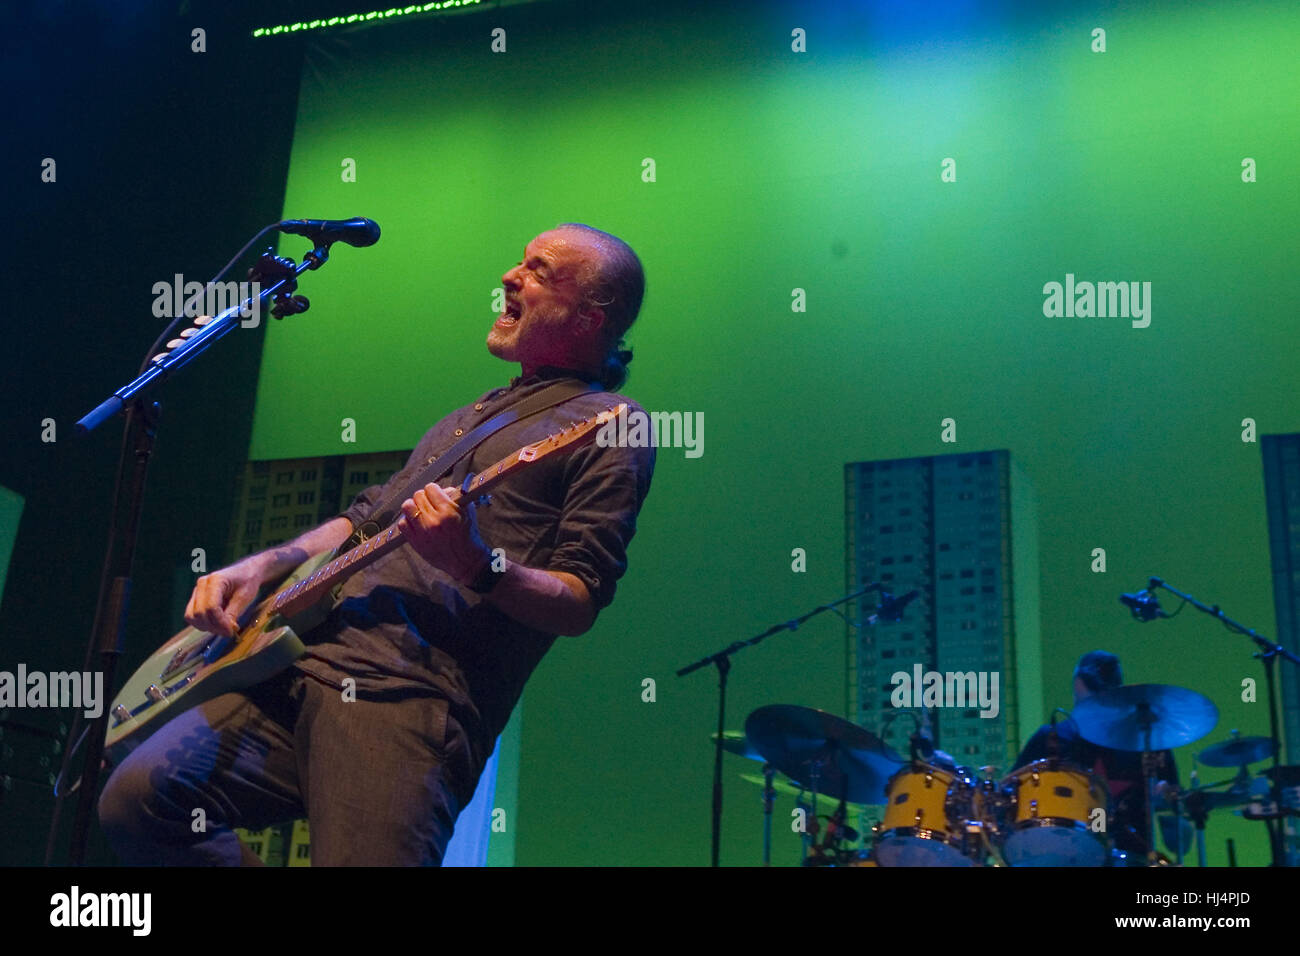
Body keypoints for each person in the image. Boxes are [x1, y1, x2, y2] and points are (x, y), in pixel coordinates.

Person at [98, 223, 655, 865]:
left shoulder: (614, 424)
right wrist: (262, 565)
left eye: (538, 270)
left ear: (589, 317)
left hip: (404, 700)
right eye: (518, 261)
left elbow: (580, 599)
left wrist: (477, 566)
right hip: (304, 663)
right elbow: (364, 518)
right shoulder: (472, 413)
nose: (510, 276)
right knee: (139, 800)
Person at [1011, 650, 1178, 862]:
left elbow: (1179, 842)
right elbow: (1006, 802)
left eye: (1097, 705)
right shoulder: (1050, 739)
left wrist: (1166, 804)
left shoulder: (1148, 742)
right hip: (1062, 856)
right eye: (1083, 705)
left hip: (1133, 859)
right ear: (1075, 689)